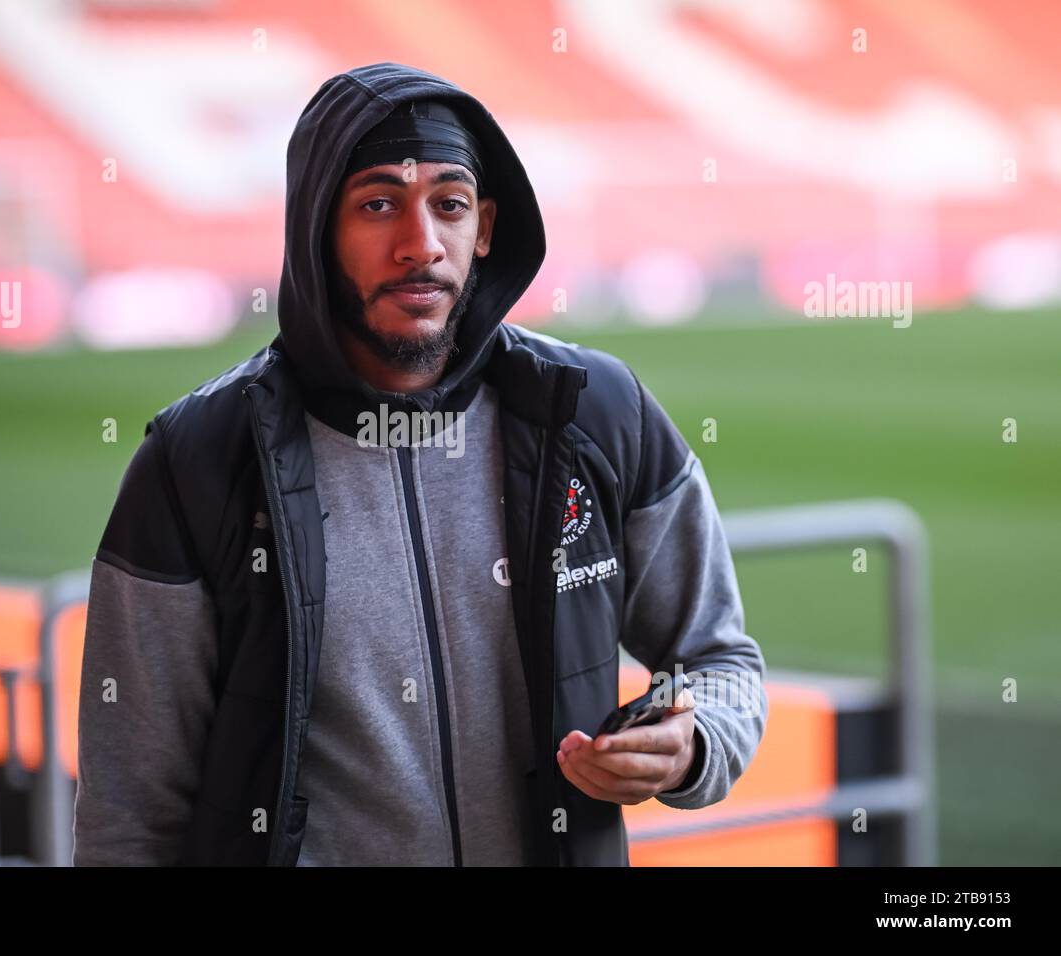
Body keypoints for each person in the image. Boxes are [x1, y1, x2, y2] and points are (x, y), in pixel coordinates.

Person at [72, 62, 768, 867]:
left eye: (450, 204)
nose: (420, 244)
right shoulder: (197, 460)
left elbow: (719, 662)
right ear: (315, 230)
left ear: (486, 227)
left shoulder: (595, 412)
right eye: (377, 206)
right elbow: (130, 816)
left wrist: (693, 740)